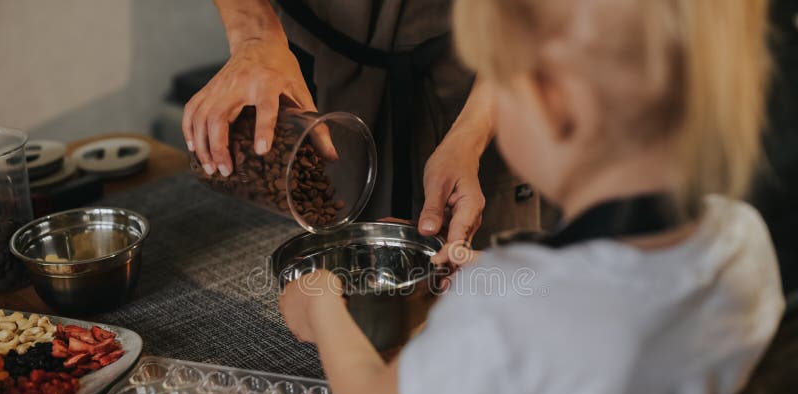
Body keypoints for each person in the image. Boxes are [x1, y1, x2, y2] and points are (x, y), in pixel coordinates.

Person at [279, 0, 785, 394]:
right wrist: (501, 279)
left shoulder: (507, 313)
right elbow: (600, 304)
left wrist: (321, 306)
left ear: (552, 105)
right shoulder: (741, 244)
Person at [182, 0, 539, 250]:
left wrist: (470, 136)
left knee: (484, 300)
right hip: (307, 75)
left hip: (481, 73)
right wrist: (254, 34)